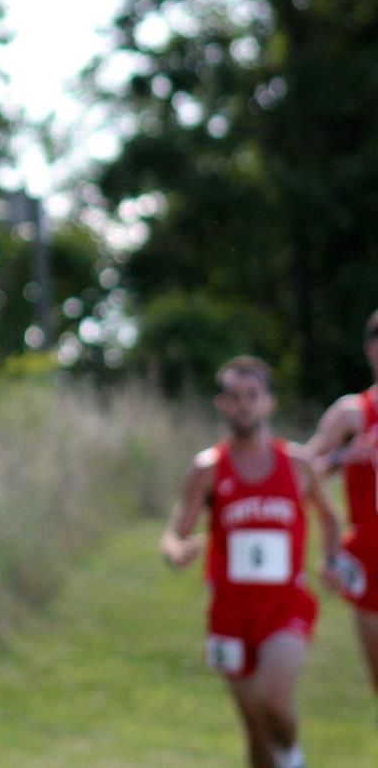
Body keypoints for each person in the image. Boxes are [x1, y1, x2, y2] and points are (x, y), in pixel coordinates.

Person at [160, 356, 343, 768]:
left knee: (271, 700)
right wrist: (178, 551)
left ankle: (294, 760)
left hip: (285, 607)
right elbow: (176, 532)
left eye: (252, 396)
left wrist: (331, 558)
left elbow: (330, 518)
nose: (243, 404)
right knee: (254, 729)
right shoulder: (207, 468)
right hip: (229, 613)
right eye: (233, 396)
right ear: (221, 404)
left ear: (268, 403)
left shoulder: (298, 465)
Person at [302, 307, 378, 713]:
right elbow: (300, 472)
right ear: (371, 349)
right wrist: (343, 457)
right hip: (371, 557)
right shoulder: (354, 412)